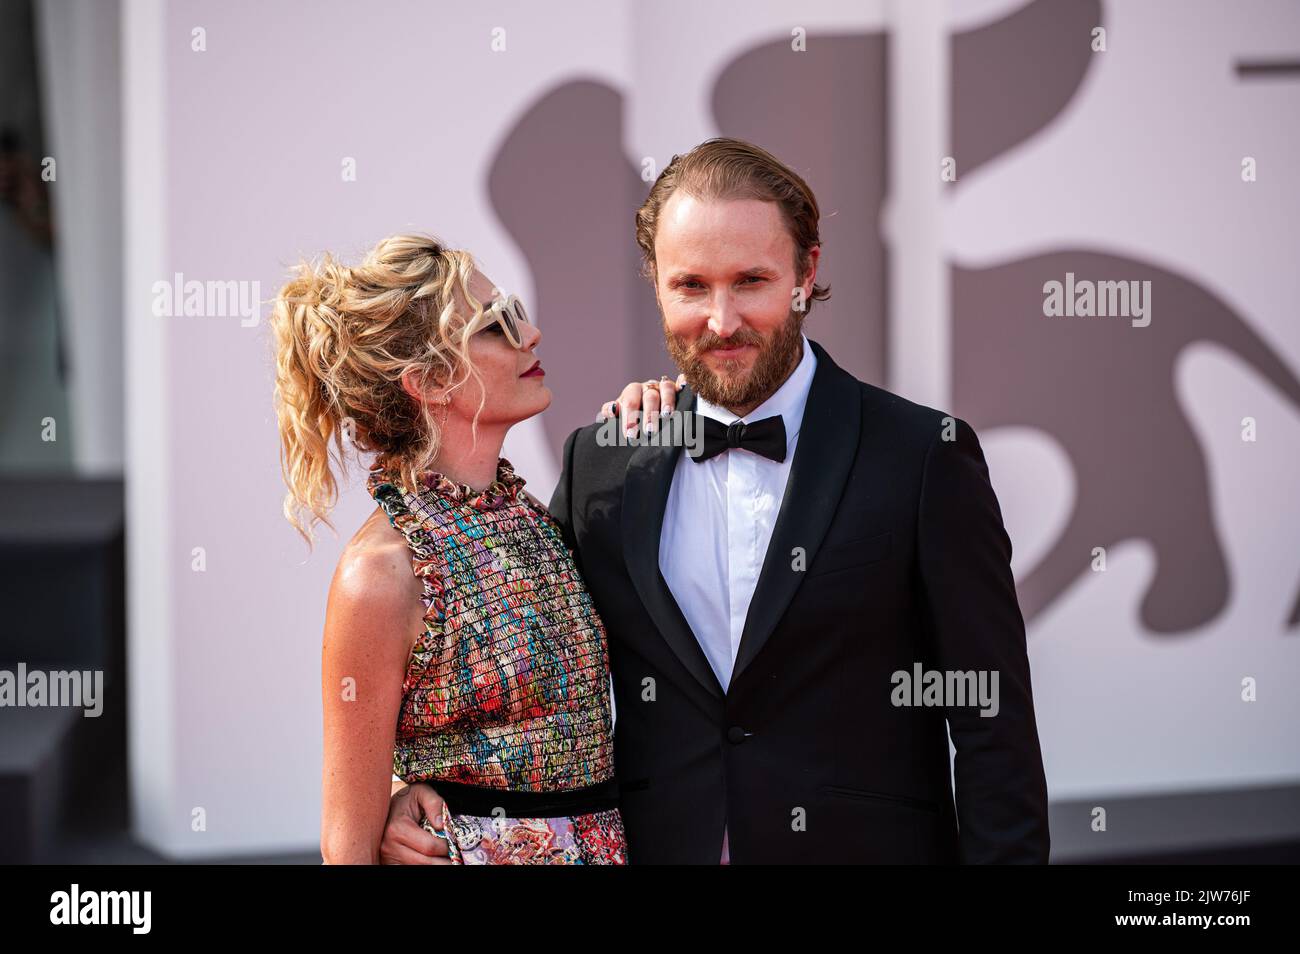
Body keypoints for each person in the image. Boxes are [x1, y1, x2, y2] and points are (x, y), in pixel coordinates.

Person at [382, 138, 1051, 864]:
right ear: (658, 285)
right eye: (692, 286)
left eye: (751, 282)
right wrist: (412, 788)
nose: (722, 321)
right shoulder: (604, 461)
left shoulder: (923, 456)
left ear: (807, 273)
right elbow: (534, 683)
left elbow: (991, 719)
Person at [270, 233, 678, 863]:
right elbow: (345, 845)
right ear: (431, 381)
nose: (531, 333)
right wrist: (402, 795)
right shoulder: (381, 572)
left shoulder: (535, 523)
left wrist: (648, 419)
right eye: (498, 325)